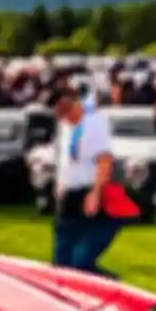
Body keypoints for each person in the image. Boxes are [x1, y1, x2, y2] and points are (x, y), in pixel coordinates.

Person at [51, 88, 121, 276]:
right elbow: (64, 157)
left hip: (88, 191)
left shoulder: (94, 122)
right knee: (61, 261)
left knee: (81, 261)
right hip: (68, 194)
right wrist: (60, 184)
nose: (64, 117)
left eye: (66, 111)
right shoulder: (64, 126)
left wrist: (96, 192)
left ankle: (110, 283)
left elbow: (104, 161)